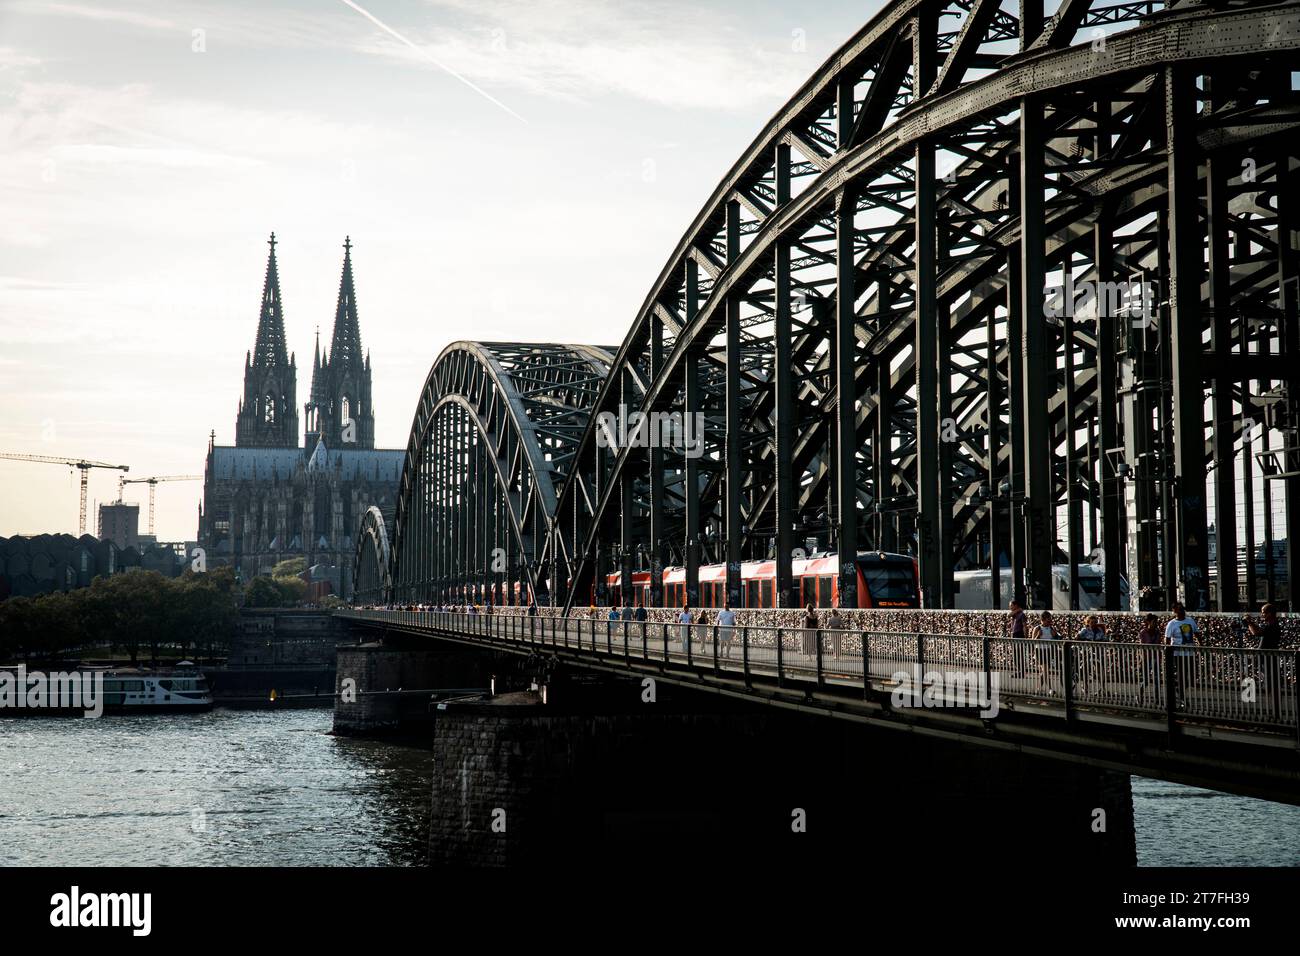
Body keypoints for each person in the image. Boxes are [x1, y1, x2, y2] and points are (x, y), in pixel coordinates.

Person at [1165, 602, 1200, 705]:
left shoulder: (1190, 621)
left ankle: (1179, 689)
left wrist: (1201, 646)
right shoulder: (1172, 624)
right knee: (1182, 675)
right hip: (1178, 653)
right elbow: (1167, 638)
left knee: (1192, 676)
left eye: (1182, 609)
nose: (1182, 611)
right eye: (1179, 609)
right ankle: (1182, 697)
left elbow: (1197, 634)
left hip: (1190, 652)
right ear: (1175, 611)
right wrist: (1168, 651)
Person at [1075, 614, 1110, 694]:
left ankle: (1103, 688)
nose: (1094, 624)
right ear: (1088, 623)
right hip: (1086, 652)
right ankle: (1085, 686)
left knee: (1099, 670)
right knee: (1085, 669)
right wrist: (1079, 637)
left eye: (1095, 622)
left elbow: (1104, 638)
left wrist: (1105, 638)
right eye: (1092, 622)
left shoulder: (1099, 630)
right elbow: (1078, 637)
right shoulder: (1085, 630)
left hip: (1097, 653)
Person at [1030, 610, 1061, 693]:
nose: (1050, 621)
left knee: (1045, 671)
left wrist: (1054, 635)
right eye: (1048, 620)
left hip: (1048, 650)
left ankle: (1038, 688)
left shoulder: (1051, 628)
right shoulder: (1037, 628)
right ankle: (1050, 689)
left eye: (1050, 620)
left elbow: (1057, 639)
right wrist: (1038, 635)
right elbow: (1032, 641)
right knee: (1046, 670)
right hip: (1039, 650)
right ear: (1043, 620)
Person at [1136, 613, 1160, 703]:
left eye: (1156, 622)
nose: (1156, 623)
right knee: (1146, 680)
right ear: (1148, 622)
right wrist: (1142, 660)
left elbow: (1158, 644)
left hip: (1156, 657)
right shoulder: (1143, 632)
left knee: (1157, 680)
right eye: (1154, 622)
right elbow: (1142, 647)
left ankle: (1157, 698)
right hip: (1146, 658)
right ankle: (1140, 695)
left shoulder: (1157, 632)